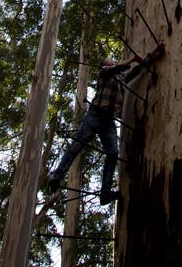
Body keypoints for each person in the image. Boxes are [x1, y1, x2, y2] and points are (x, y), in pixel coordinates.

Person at [48, 43, 165, 204]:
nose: (114, 61)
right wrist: (131, 58)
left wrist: (154, 53)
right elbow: (117, 69)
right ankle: (57, 175)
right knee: (77, 145)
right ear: (105, 64)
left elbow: (138, 69)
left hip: (109, 121)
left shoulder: (122, 77)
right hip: (95, 114)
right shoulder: (104, 73)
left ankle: (105, 193)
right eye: (111, 60)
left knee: (113, 153)